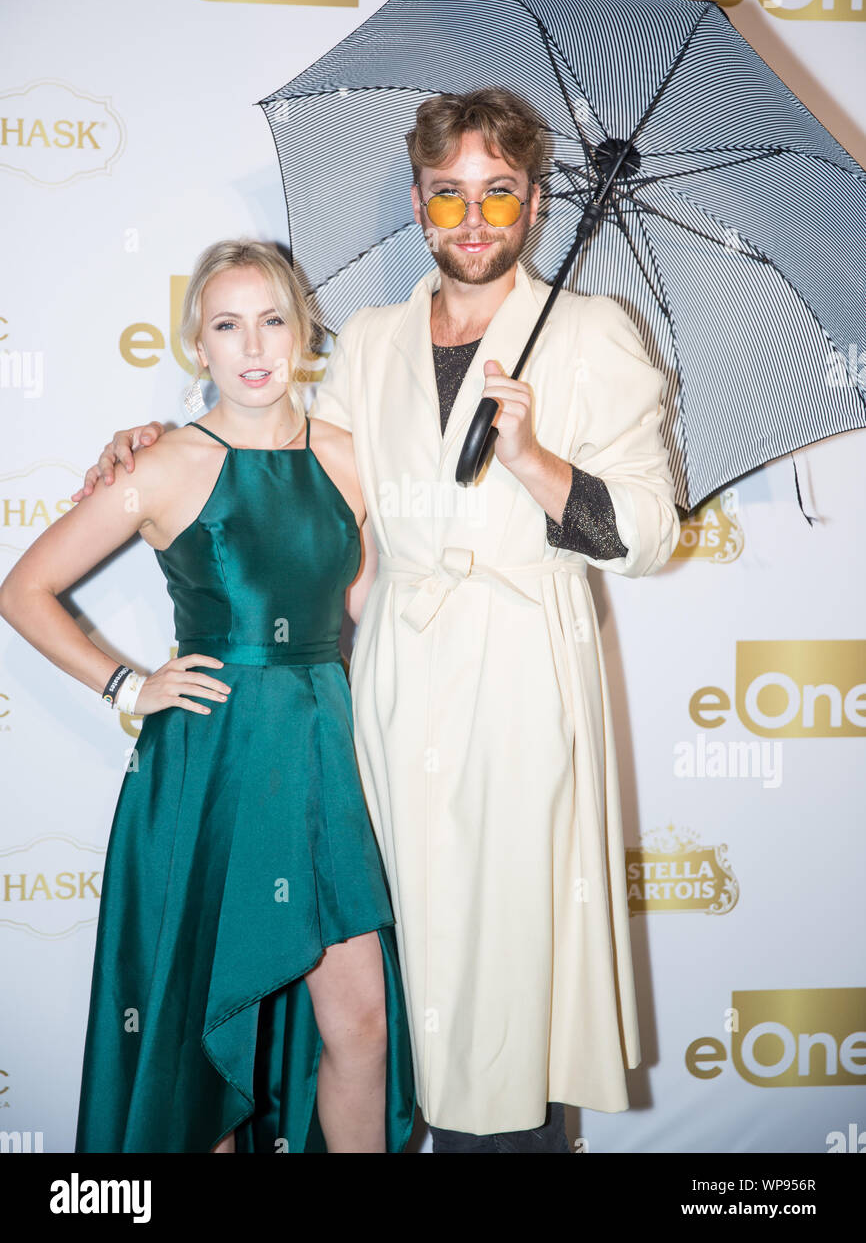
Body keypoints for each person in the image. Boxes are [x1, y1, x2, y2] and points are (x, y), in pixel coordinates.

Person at [72, 87, 681, 1153]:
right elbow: (286, 468)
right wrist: (151, 445)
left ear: (536, 203)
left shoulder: (590, 334)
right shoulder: (372, 338)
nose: (475, 219)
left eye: (498, 192)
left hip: (520, 683)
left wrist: (535, 463)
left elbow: (647, 531)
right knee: (389, 988)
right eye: (449, 197)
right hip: (381, 702)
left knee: (508, 991)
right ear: (416, 206)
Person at [0, 239, 416, 1153]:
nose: (254, 345)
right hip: (210, 766)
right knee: (192, 1045)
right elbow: (22, 591)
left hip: (322, 756)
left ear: (303, 331)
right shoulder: (162, 467)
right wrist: (126, 683)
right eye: (228, 324)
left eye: (272, 319)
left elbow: (366, 616)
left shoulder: (354, 460)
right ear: (198, 345)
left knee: (362, 1027)